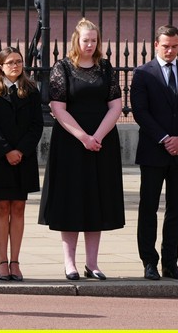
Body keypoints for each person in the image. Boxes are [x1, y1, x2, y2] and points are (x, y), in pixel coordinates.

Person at [39, 19, 124, 280]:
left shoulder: (105, 68)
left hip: (102, 142)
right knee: (71, 200)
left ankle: (92, 263)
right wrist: (82, 137)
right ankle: (70, 263)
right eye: (86, 40)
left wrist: (97, 136)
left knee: (96, 200)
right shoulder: (62, 68)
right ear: (76, 40)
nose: (90, 44)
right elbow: (57, 108)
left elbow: (116, 105)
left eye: (94, 40)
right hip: (70, 143)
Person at [130, 24, 178, 281]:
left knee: (176, 209)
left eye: (174, 46)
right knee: (148, 207)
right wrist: (164, 138)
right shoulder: (142, 73)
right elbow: (140, 111)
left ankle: (170, 263)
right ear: (155, 45)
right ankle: (149, 261)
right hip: (153, 150)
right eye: (165, 46)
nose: (170, 50)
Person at [0, 46, 43, 282]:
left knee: (18, 207)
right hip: (0, 158)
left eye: (18, 62)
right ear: (1, 66)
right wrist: (7, 151)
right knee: (2, 207)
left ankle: (15, 261)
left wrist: (21, 151)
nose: (15, 66)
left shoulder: (31, 90)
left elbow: (37, 125)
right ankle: (2, 261)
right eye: (10, 63)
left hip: (23, 159)